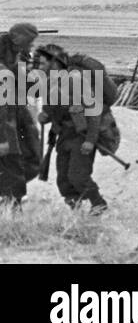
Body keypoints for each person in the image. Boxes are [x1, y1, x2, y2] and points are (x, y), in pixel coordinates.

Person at [34, 44, 115, 213]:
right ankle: (75, 210)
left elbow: (94, 112)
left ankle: (99, 204)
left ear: (54, 63)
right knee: (63, 179)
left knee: (78, 175)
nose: (38, 67)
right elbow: (51, 110)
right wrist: (45, 117)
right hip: (63, 136)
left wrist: (90, 141)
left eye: (42, 63)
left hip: (81, 136)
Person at [0, 22, 41, 207]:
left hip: (16, 110)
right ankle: (12, 204)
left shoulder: (17, 54)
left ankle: (9, 195)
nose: (32, 47)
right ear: (19, 39)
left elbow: (26, 86)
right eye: (29, 42)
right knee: (12, 159)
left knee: (33, 160)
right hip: (5, 114)